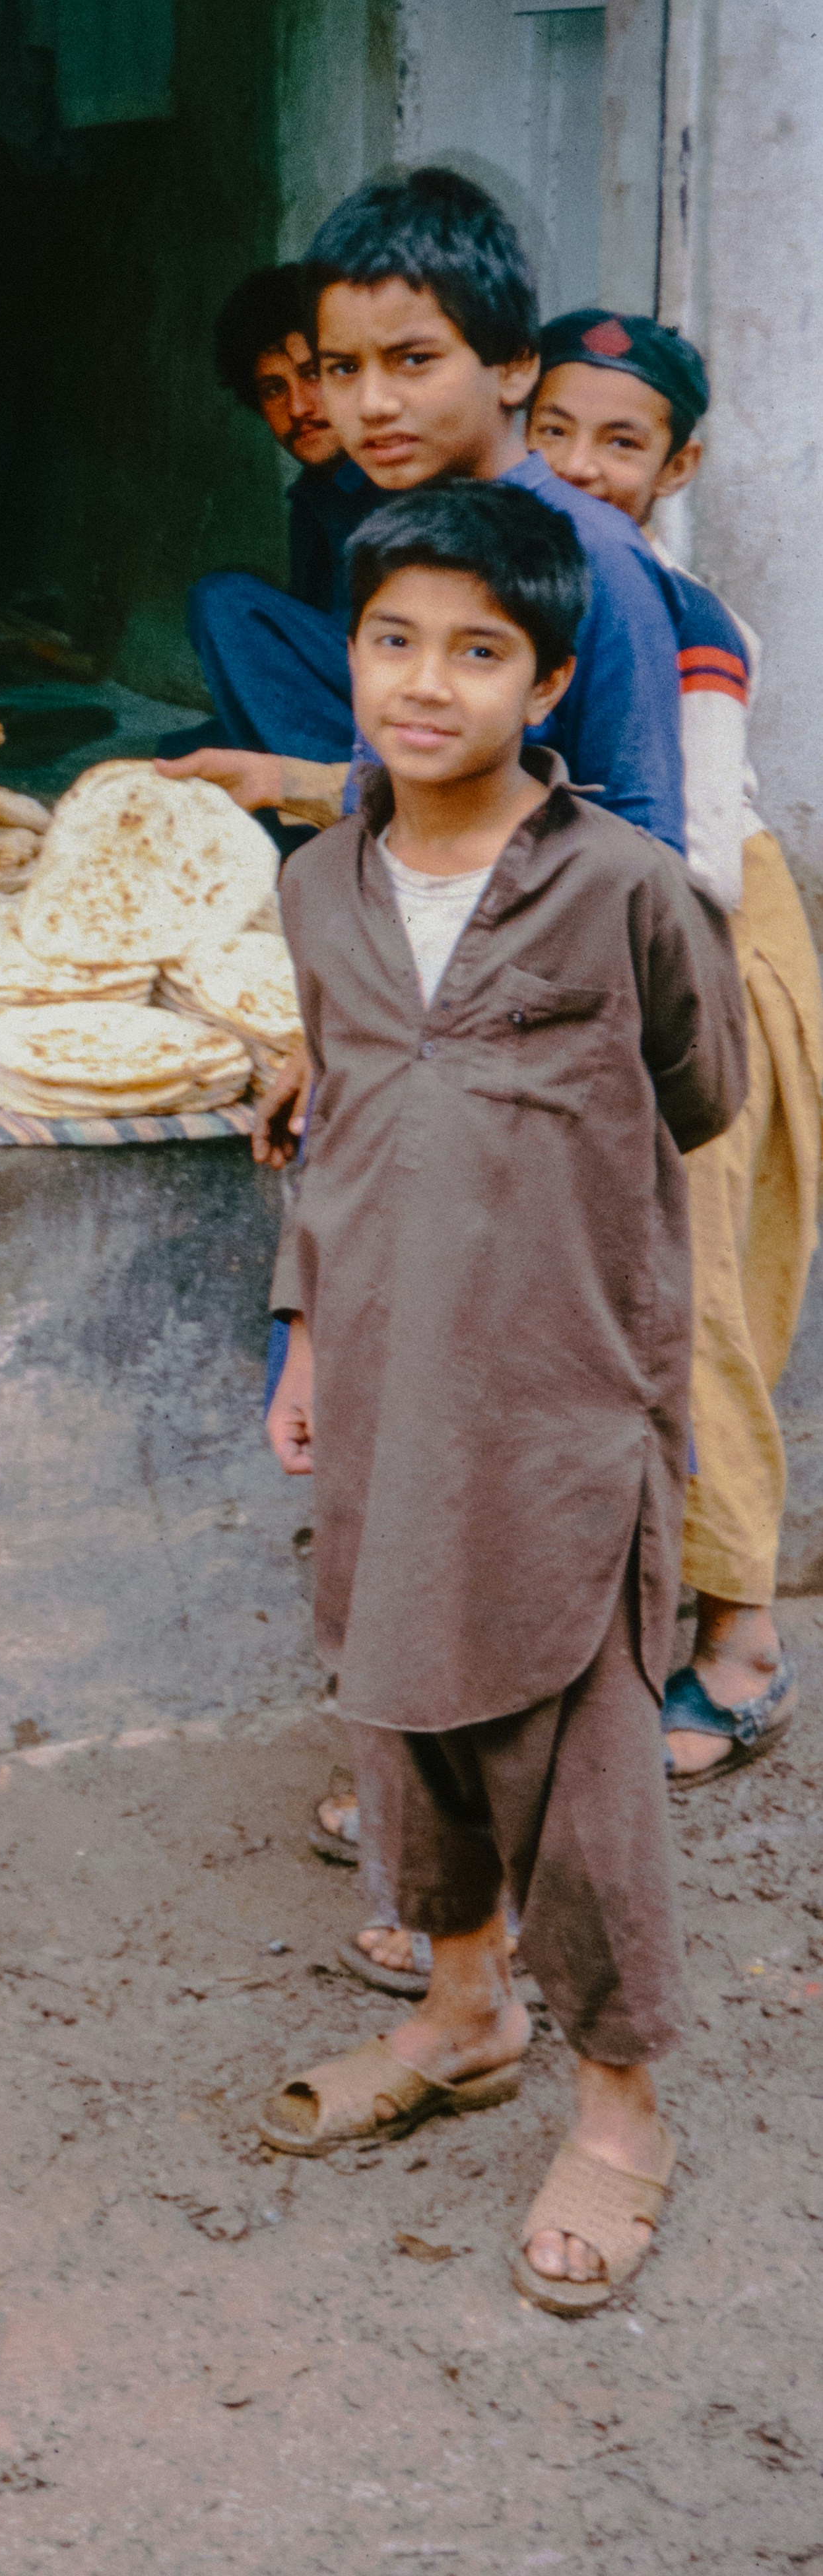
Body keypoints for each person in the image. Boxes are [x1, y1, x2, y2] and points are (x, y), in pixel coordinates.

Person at [255, 483, 746, 2315]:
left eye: (475, 650)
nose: (423, 680)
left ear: (542, 681)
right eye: (391, 639)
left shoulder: (620, 888)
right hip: (383, 1376)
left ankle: (616, 2105)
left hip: (557, 1389)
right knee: (404, 1703)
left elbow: (698, 1094)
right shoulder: (318, 885)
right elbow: (325, 1126)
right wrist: (302, 1332)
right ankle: (462, 2015)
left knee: (573, 1739)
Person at [529, 309, 823, 1785]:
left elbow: (694, 847)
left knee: (700, 1290)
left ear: (680, 460)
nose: (583, 466)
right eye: (558, 431)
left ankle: (745, 1647)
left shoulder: (686, 614)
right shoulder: (536, 573)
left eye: (622, 443)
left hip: (702, 948)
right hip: (616, 933)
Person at [162, 168, 689, 862]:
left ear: (513, 368)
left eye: (411, 359)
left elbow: (643, 838)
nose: (372, 403)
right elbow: (398, 780)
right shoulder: (395, 542)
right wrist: (286, 781)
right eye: (342, 368)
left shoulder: (595, 554)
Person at [176, 265, 387, 763]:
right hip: (349, 692)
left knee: (225, 603)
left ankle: (327, 799)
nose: (298, 407)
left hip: (405, 697)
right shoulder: (317, 495)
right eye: (273, 389)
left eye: (313, 375)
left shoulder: (391, 476)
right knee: (186, 753)